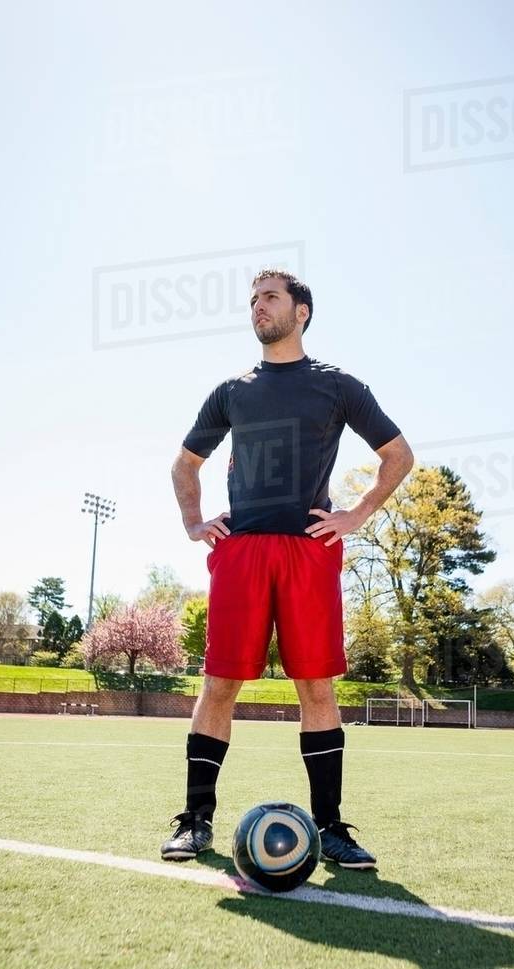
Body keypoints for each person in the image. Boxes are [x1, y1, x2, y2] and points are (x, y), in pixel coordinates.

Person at [161, 269, 414, 867]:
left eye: (270, 298)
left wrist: (356, 514)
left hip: (308, 548)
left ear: (301, 311)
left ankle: (331, 828)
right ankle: (195, 821)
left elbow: (397, 456)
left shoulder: (338, 385)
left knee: (315, 686)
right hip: (242, 549)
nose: (257, 308)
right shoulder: (232, 390)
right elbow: (183, 465)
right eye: (252, 300)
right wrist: (194, 525)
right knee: (220, 683)